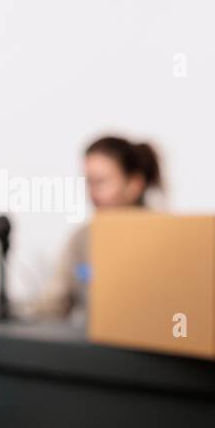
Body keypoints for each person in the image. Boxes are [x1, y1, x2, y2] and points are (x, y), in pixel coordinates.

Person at [36, 135, 163, 320]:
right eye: (89, 182)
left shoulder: (165, 238)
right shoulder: (82, 239)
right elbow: (53, 303)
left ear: (134, 185)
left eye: (101, 182)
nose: (93, 194)